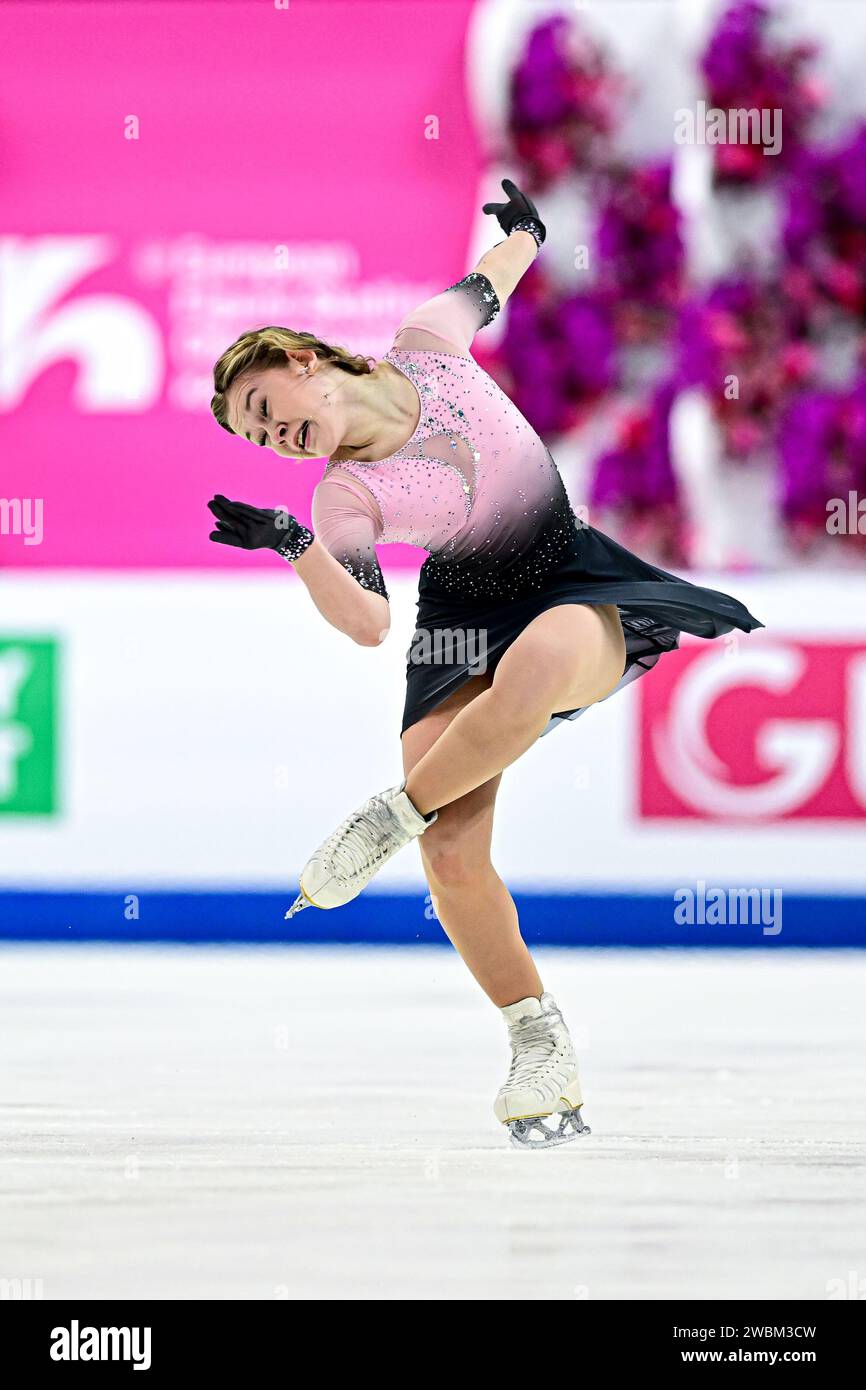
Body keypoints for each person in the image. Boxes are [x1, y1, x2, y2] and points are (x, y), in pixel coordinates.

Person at [207, 179, 763, 1146]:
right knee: (453, 852)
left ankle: (389, 814)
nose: (274, 436)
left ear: (300, 359)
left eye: (266, 406)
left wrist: (526, 233)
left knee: (546, 655)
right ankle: (538, 1042)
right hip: (462, 621)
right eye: (258, 440)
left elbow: (492, 278)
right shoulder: (344, 498)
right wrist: (296, 546)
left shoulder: (429, 342)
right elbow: (369, 623)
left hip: (568, 577)